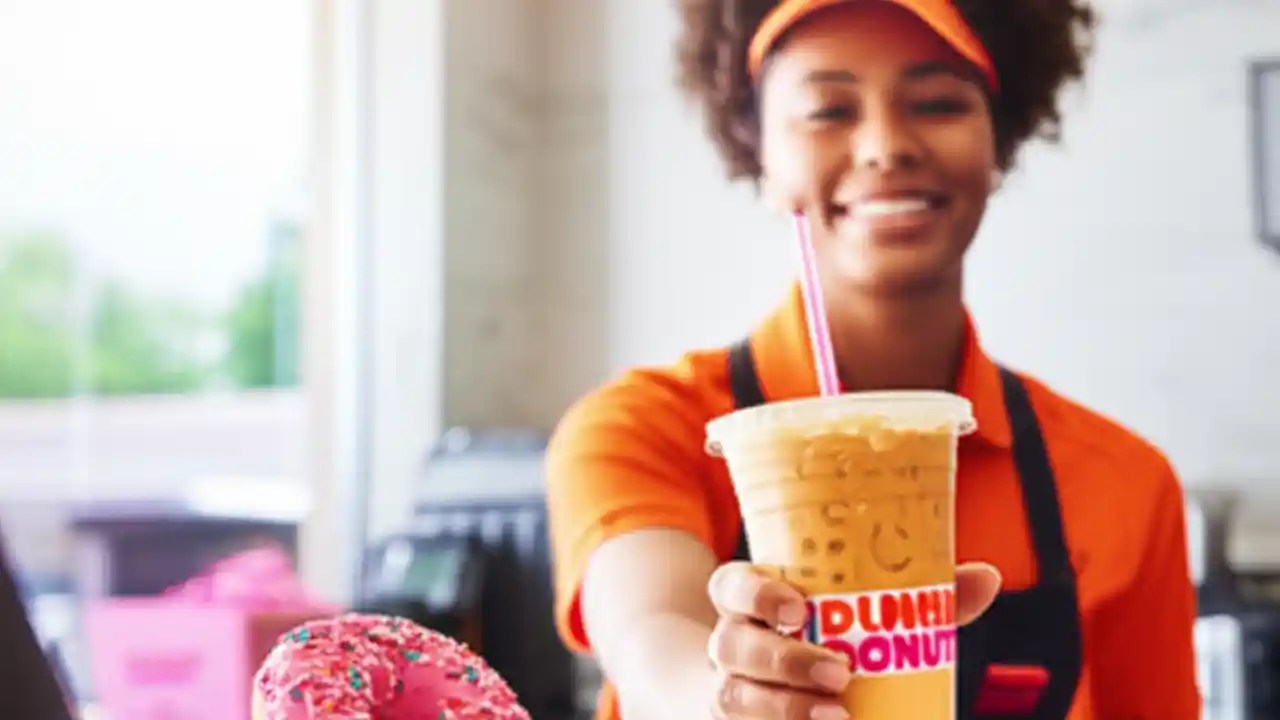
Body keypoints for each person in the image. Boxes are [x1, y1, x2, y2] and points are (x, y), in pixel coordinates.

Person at [544, 0, 1200, 718]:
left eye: (938, 102)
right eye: (828, 110)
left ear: (999, 141)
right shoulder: (642, 429)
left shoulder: (1125, 484)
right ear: (758, 154)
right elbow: (650, 636)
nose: (885, 144)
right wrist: (726, 698)